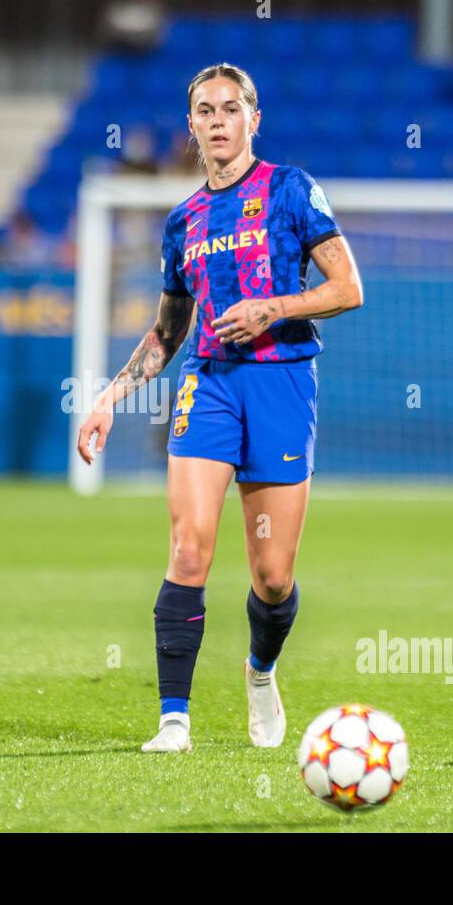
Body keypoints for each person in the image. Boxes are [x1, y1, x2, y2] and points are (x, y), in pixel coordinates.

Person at [76, 64, 364, 753]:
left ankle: (260, 670)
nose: (217, 121)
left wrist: (274, 308)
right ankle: (173, 720)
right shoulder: (183, 221)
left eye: (230, 108)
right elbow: (168, 331)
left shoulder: (289, 189)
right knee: (188, 547)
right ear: (192, 126)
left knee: (273, 577)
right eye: (204, 110)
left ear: (252, 120)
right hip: (208, 385)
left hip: (280, 383)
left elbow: (348, 287)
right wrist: (111, 396)